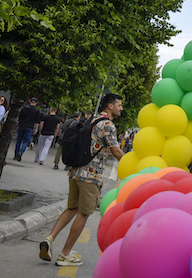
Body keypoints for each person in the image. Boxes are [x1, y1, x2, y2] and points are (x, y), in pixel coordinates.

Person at [40, 94, 124, 267]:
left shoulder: (92, 119)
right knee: (84, 213)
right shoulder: (108, 125)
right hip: (91, 177)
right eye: (119, 105)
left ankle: (50, 238)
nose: (121, 108)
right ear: (110, 106)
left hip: (76, 171)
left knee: (72, 208)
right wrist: (133, 165)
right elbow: (116, 151)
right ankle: (65, 254)